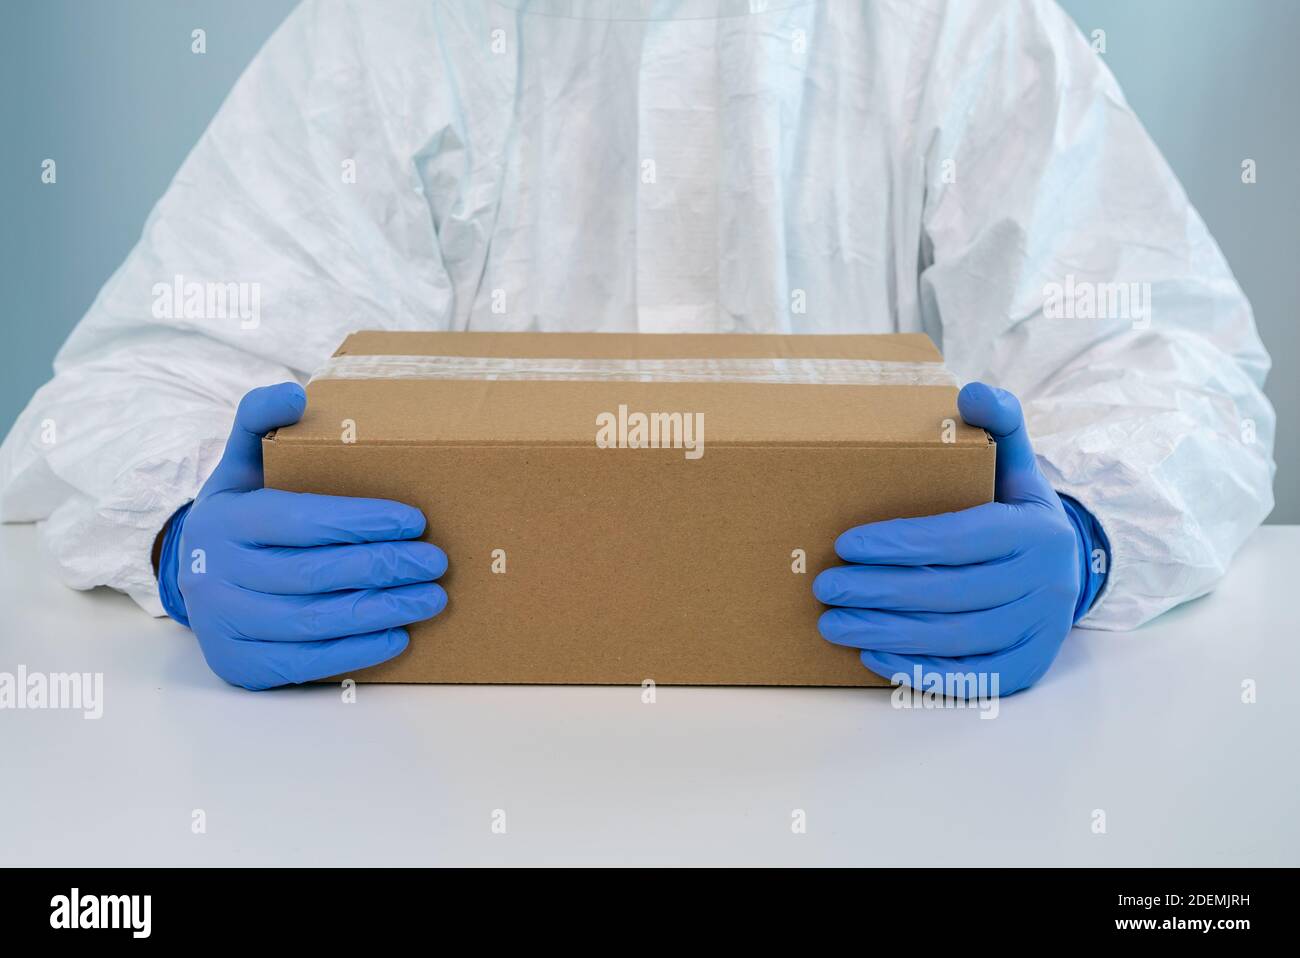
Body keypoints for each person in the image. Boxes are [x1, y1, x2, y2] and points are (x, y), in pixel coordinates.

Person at [0, 0, 1275, 693]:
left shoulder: (953, 25)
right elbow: (130, 386)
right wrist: (182, 538)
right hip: (432, 741)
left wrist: (1093, 538)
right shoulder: (386, 33)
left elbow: (1171, 364)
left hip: (856, 727)